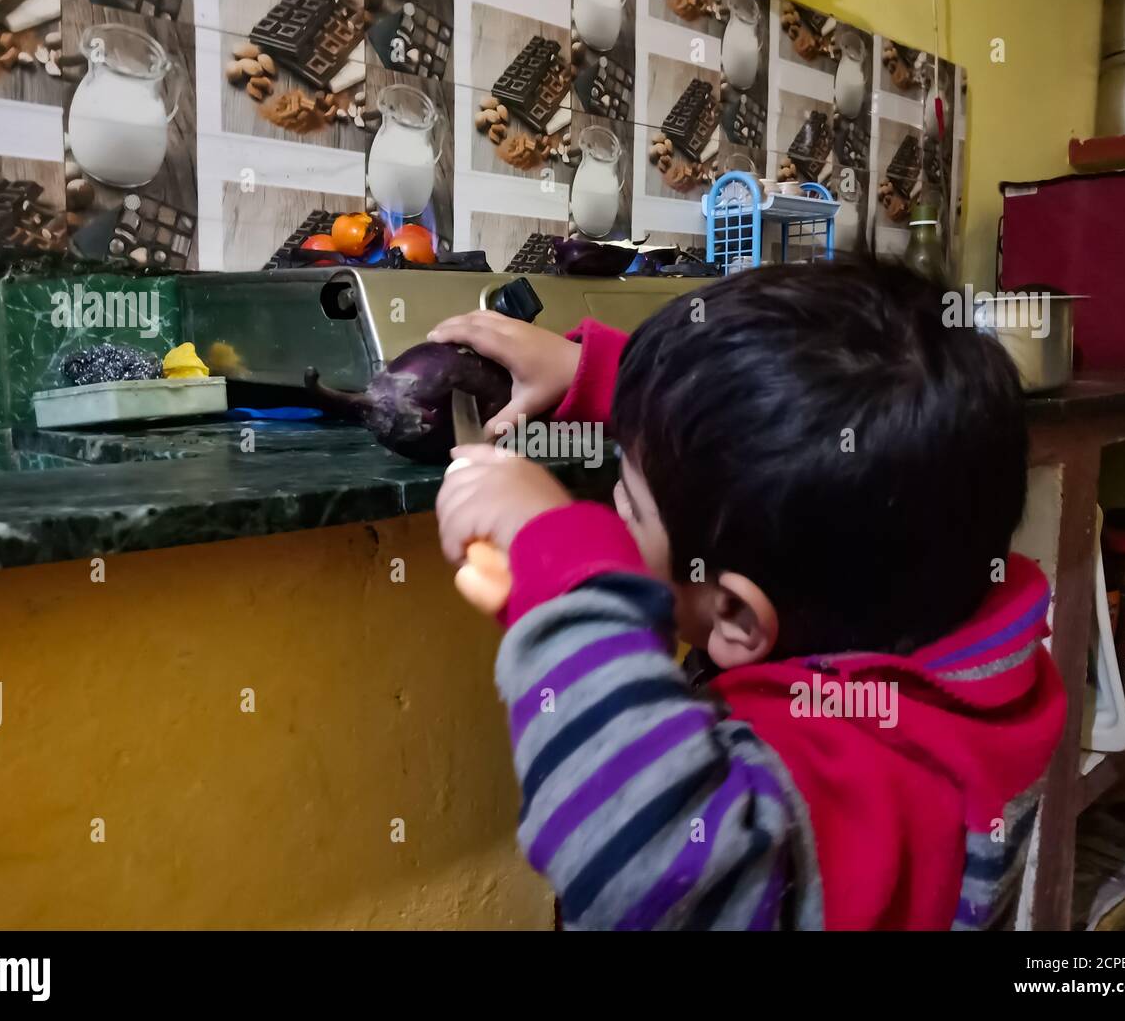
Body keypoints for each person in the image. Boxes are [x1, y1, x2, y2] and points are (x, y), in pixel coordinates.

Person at [430, 260, 1065, 930]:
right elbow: (819, 460)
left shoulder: (828, 794)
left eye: (632, 505)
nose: (614, 501)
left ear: (734, 614)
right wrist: (601, 376)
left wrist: (561, 561)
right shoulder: (953, 610)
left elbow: (640, 863)